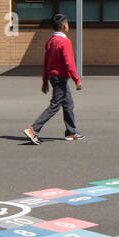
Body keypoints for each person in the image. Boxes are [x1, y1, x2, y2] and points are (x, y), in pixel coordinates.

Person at [22, 14, 83, 144]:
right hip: (60, 78)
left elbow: (46, 63)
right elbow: (69, 63)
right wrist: (77, 80)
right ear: (65, 25)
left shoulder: (50, 41)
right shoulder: (64, 42)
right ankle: (33, 130)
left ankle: (71, 132)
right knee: (55, 106)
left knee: (68, 104)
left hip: (53, 77)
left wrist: (45, 81)